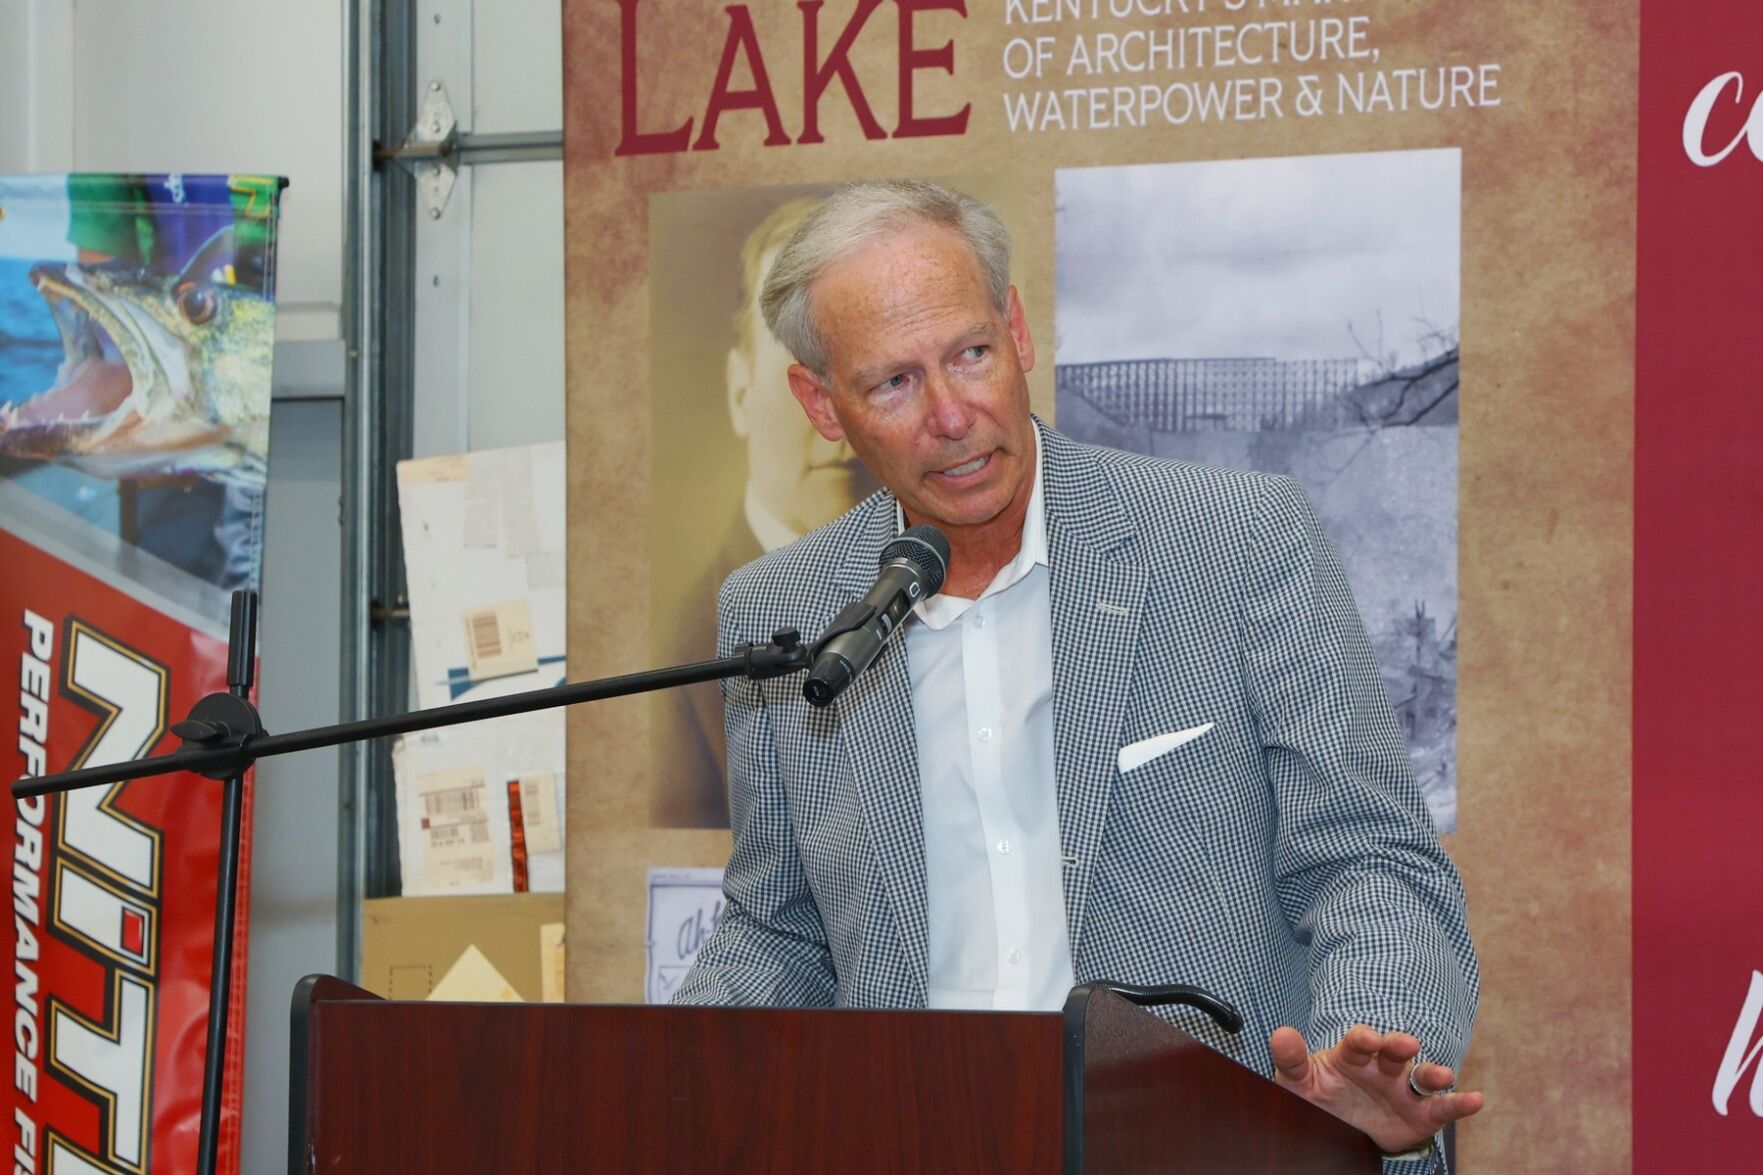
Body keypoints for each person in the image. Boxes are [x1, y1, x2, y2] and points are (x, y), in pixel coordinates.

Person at [671, 179, 1481, 1164]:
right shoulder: (783, 609)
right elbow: (779, 927)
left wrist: (1372, 1046)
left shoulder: (1235, 540)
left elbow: (1369, 858)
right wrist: (659, 1087)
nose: (952, 414)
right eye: (892, 383)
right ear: (820, 403)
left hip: (1204, 1142)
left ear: (1015, 330)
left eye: (970, 354)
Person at [649, 196, 877, 828]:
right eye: (805, 374)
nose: (842, 418)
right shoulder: (685, 659)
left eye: (875, 374)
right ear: (740, 391)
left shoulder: (944, 597)